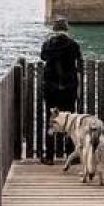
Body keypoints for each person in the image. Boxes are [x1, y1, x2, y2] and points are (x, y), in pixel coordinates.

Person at [39, 16, 82, 165]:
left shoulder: (47, 45)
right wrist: (78, 88)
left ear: (54, 30)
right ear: (67, 29)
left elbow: (43, 57)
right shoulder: (74, 45)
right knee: (70, 121)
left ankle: (50, 156)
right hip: (69, 89)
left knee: (52, 121)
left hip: (51, 90)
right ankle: (71, 155)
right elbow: (79, 66)